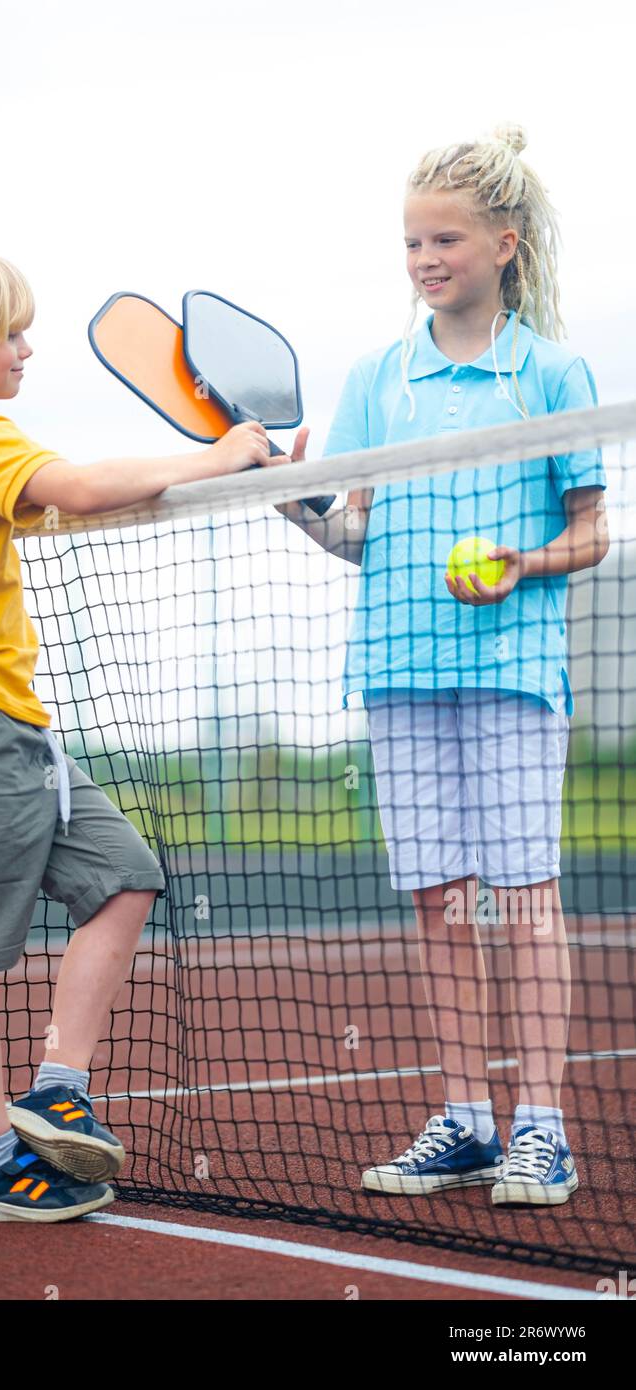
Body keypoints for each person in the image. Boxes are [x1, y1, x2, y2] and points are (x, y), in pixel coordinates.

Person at [0, 242, 281, 1222]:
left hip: (3, 725)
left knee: (126, 873)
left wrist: (220, 477)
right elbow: (83, 485)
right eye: (11, 330)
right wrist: (216, 453)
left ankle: (57, 1087)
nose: (26, 347)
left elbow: (81, 508)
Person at [269, 125, 608, 1206]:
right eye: (411, 240)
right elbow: (358, 533)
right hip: (397, 667)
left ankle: (540, 1128)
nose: (423, 257)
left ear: (503, 243)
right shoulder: (377, 377)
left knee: (525, 897)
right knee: (439, 904)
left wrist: (521, 566)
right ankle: (464, 1117)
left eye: (444, 237)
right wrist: (301, 514)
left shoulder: (551, 372)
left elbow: (591, 533)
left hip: (511, 669)